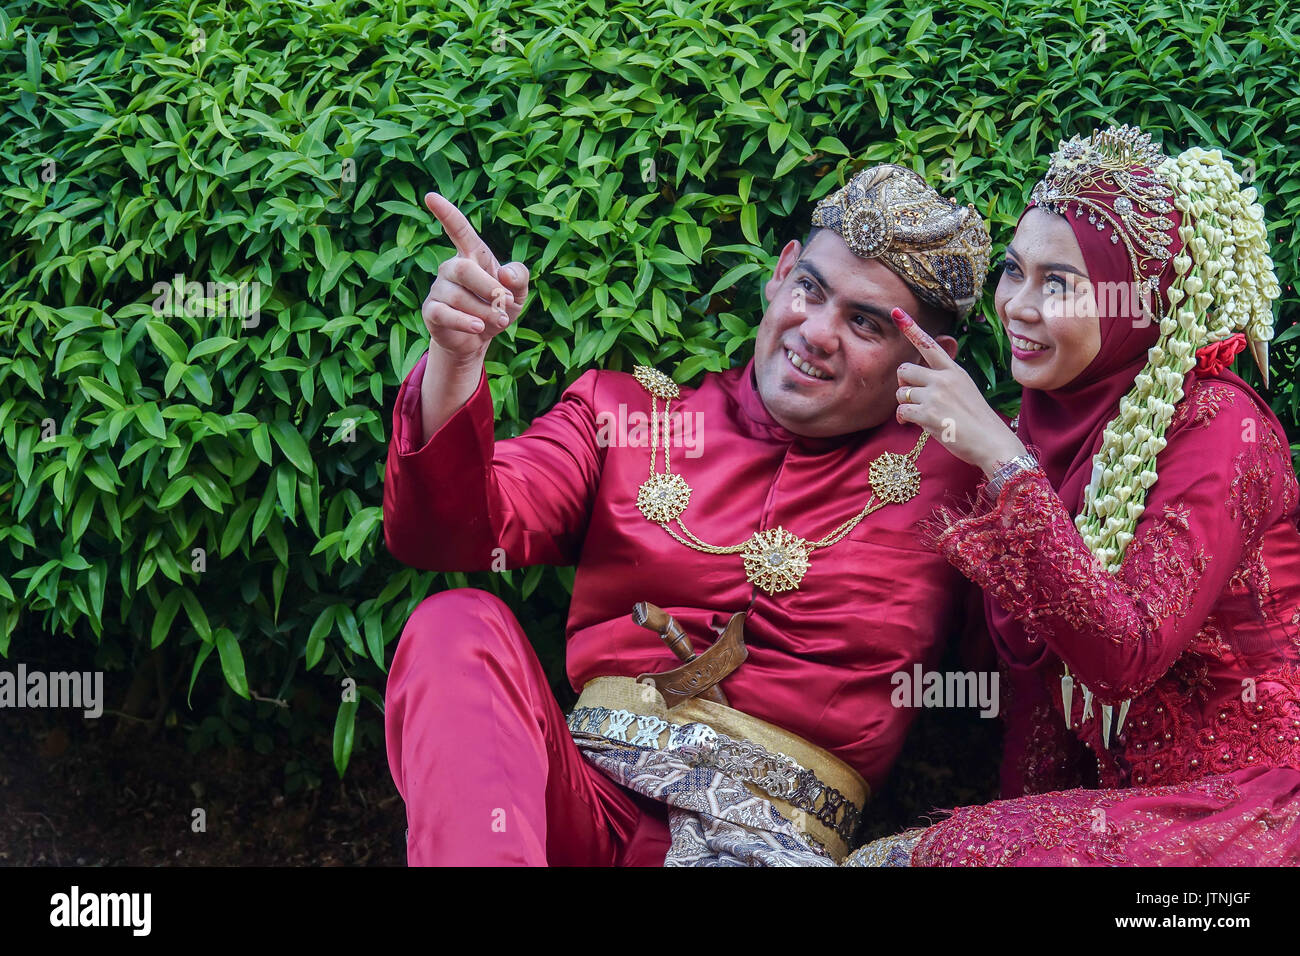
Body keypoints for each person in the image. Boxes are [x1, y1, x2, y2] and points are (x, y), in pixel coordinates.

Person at [382, 163, 995, 865]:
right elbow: (449, 529)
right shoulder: (624, 413)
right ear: (782, 271)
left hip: (771, 848)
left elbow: (1043, 651)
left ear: (929, 359)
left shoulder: (963, 475)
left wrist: (1007, 466)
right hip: (584, 813)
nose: (817, 332)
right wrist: (456, 358)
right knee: (454, 625)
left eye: (863, 324)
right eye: (811, 290)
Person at [847, 124, 1300, 866]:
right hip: (1127, 814)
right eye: (1013, 271)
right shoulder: (1047, 425)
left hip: (1253, 807)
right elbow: (1037, 707)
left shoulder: (1224, 429)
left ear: (1140, 302)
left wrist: (1003, 461)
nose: (1018, 306)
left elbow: (1126, 655)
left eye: (1058, 284)